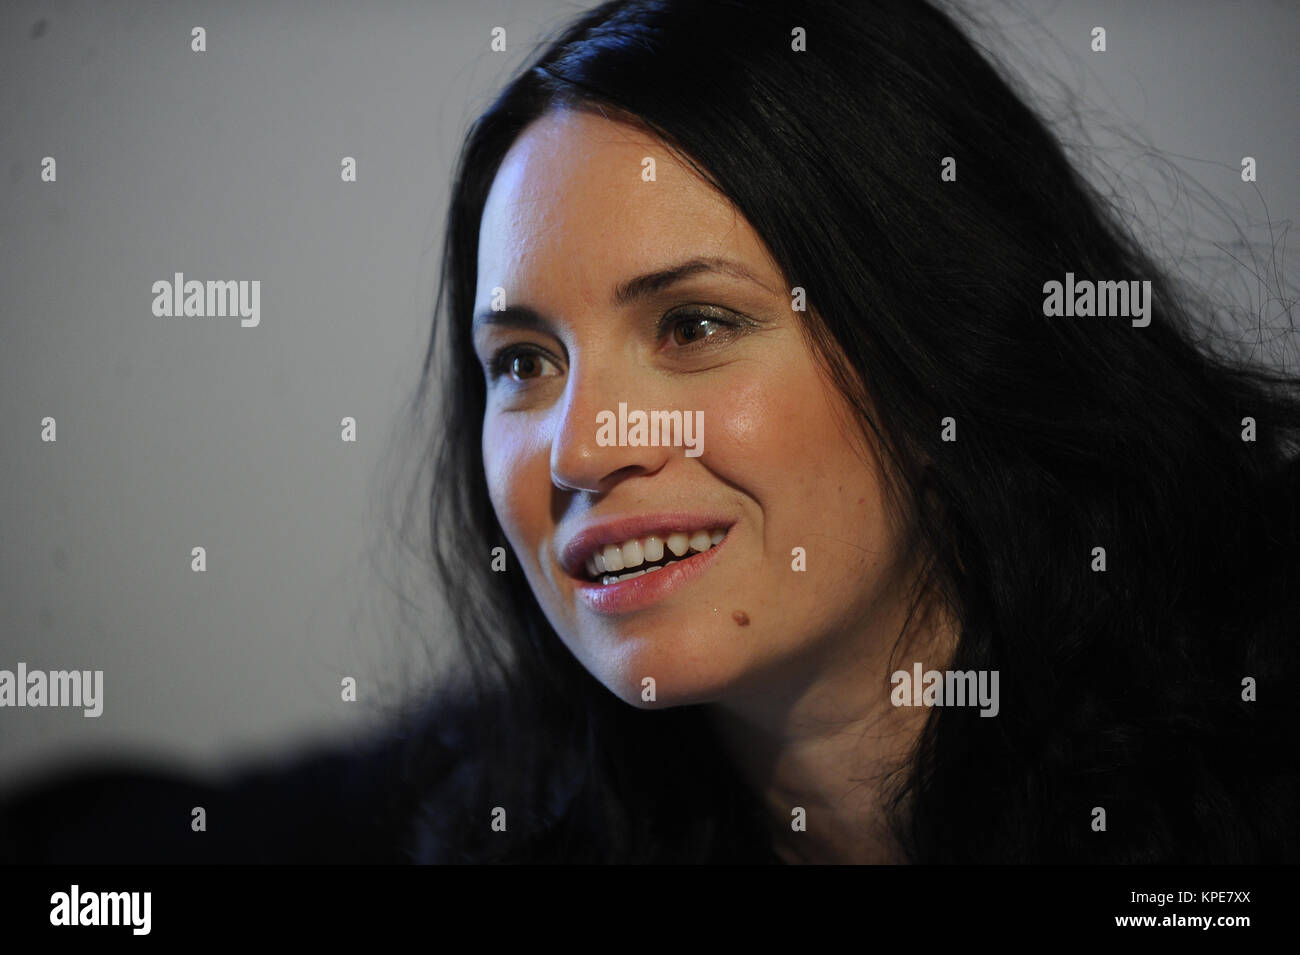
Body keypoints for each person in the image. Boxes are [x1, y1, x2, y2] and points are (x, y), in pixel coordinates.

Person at [5, 0, 1298, 865]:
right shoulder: (512, 796)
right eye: (522, 362)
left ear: (940, 340)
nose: (578, 448)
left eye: (691, 326)